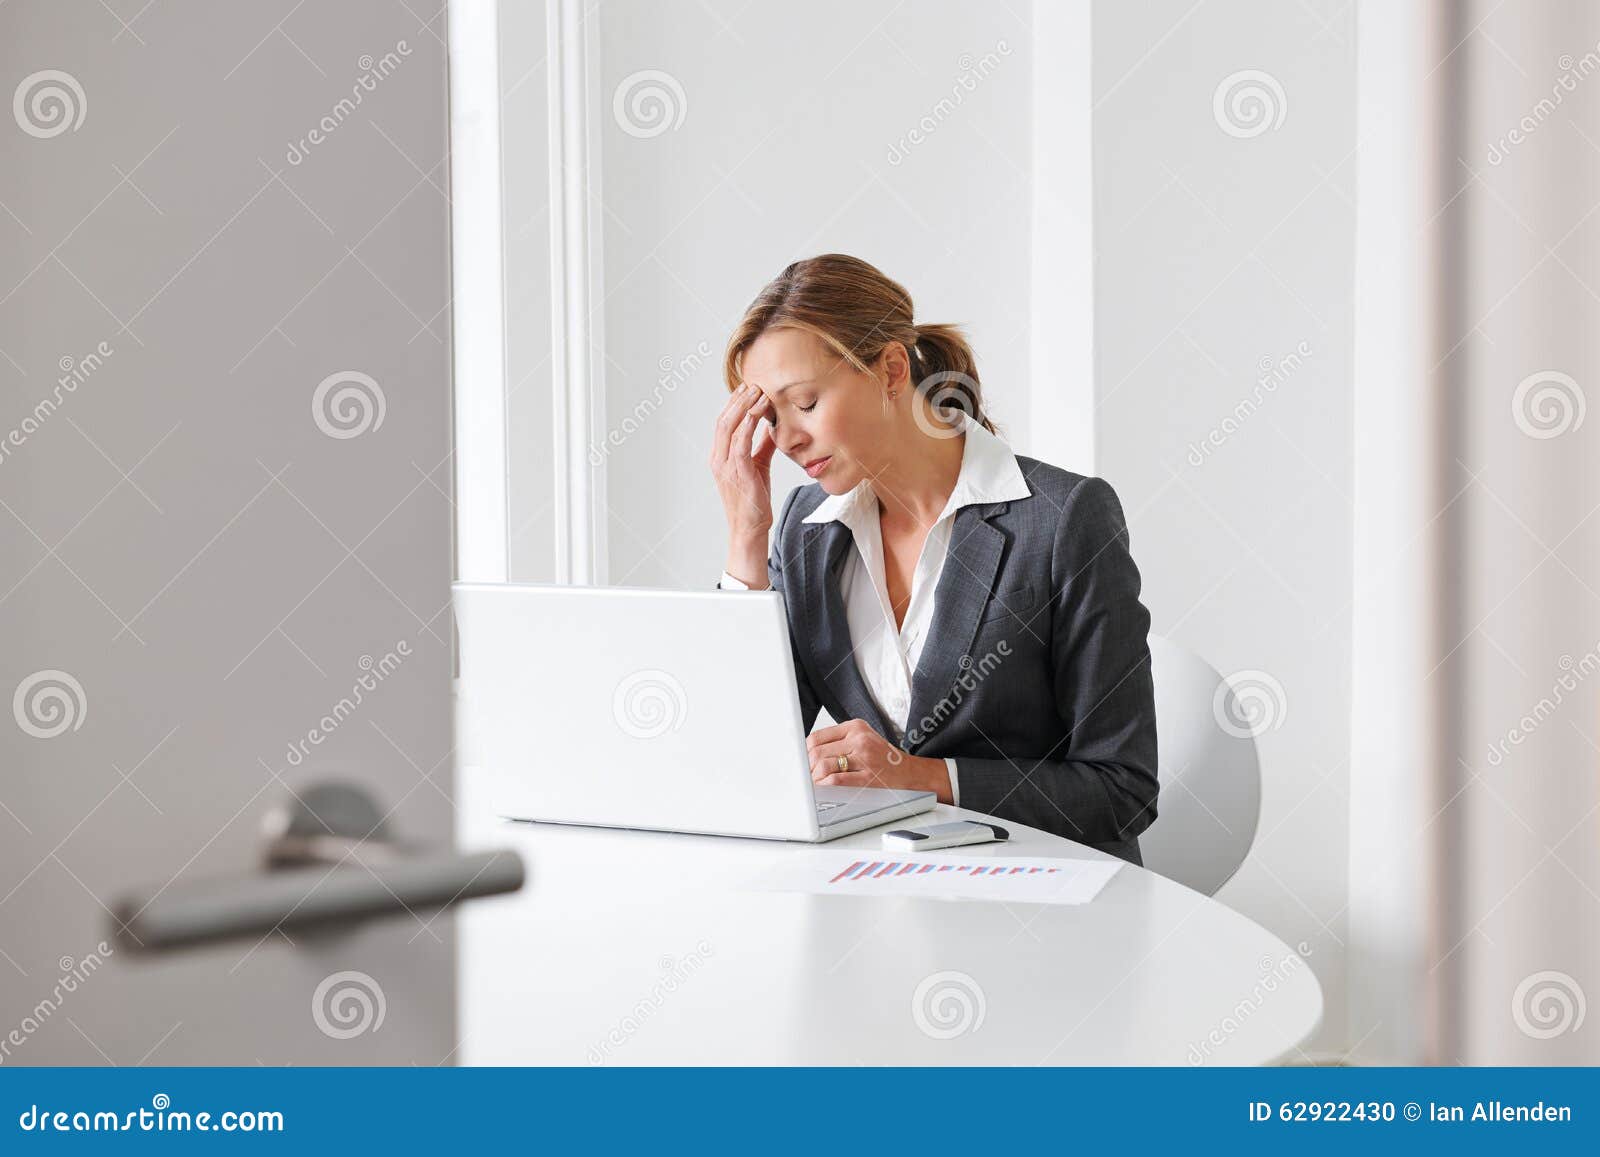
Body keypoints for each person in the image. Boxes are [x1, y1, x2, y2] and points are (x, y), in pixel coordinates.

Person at [709, 253, 1159, 865]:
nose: (787, 439)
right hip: (884, 894)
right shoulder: (802, 532)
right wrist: (745, 536)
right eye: (770, 415)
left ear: (891, 368)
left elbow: (1122, 791)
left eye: (807, 403)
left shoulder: (1063, 518)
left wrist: (921, 776)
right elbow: (734, 756)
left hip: (1048, 902)